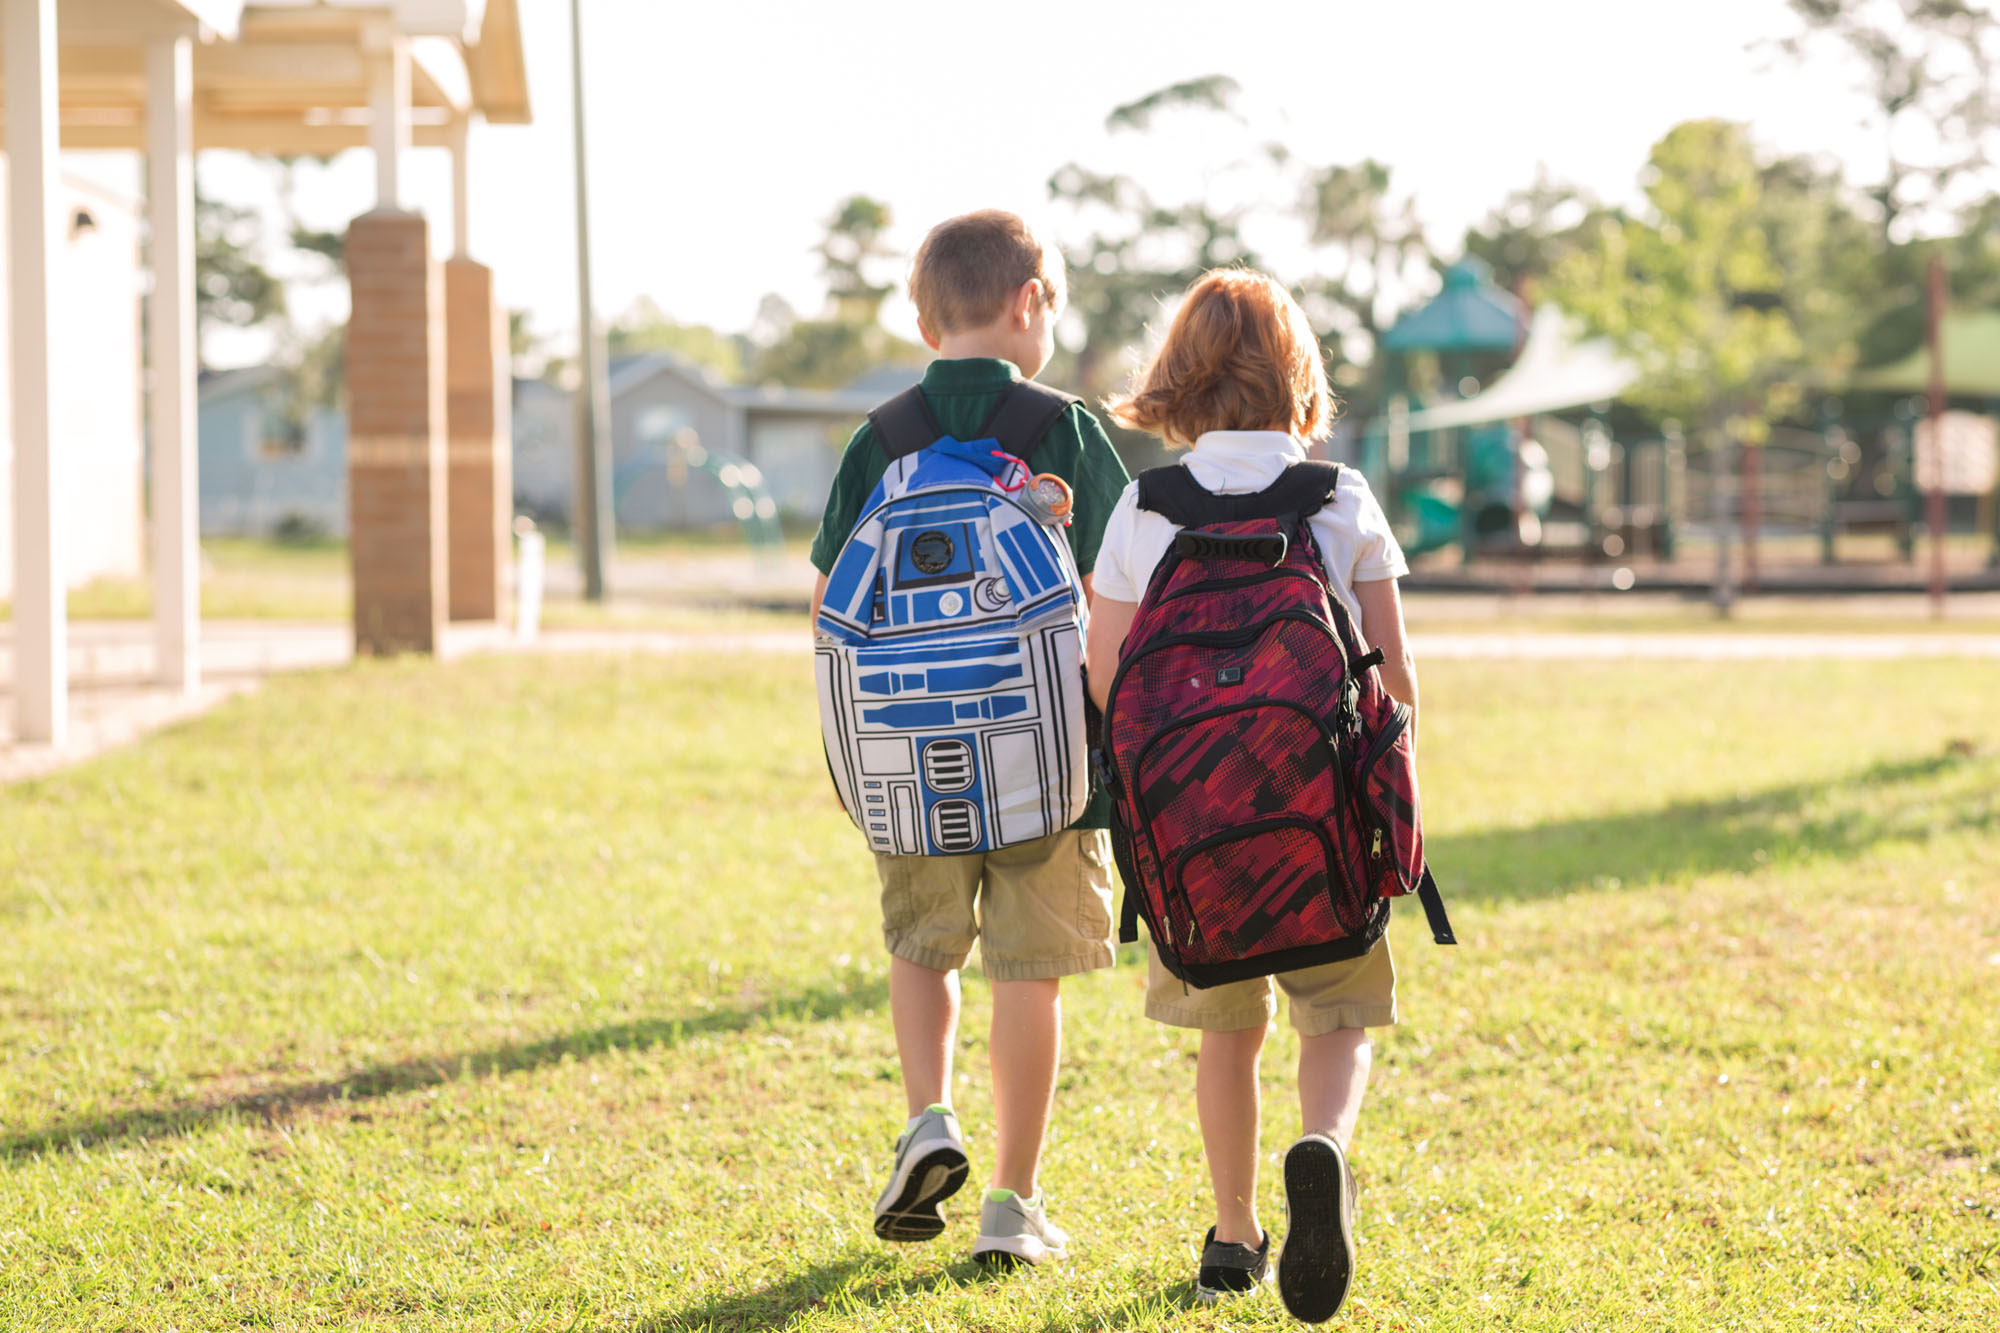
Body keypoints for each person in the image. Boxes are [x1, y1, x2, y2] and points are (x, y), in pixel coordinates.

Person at [1084, 268, 1416, 1321]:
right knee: (1337, 1016)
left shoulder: (1144, 504)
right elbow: (1391, 676)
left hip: (1192, 837)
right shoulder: (1338, 496)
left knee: (1226, 1034)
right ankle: (1320, 1144)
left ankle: (1232, 1237)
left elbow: (1105, 679)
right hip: (1324, 817)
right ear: (1297, 377)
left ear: (1176, 376)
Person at [808, 209, 1131, 1267]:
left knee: (922, 947)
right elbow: (1118, 594)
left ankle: (927, 1120)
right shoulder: (1064, 429)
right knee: (1024, 974)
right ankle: (1012, 1199)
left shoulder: (882, 436)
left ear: (922, 315)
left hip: (907, 764)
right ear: (1028, 302)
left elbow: (827, 609)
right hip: (1047, 763)